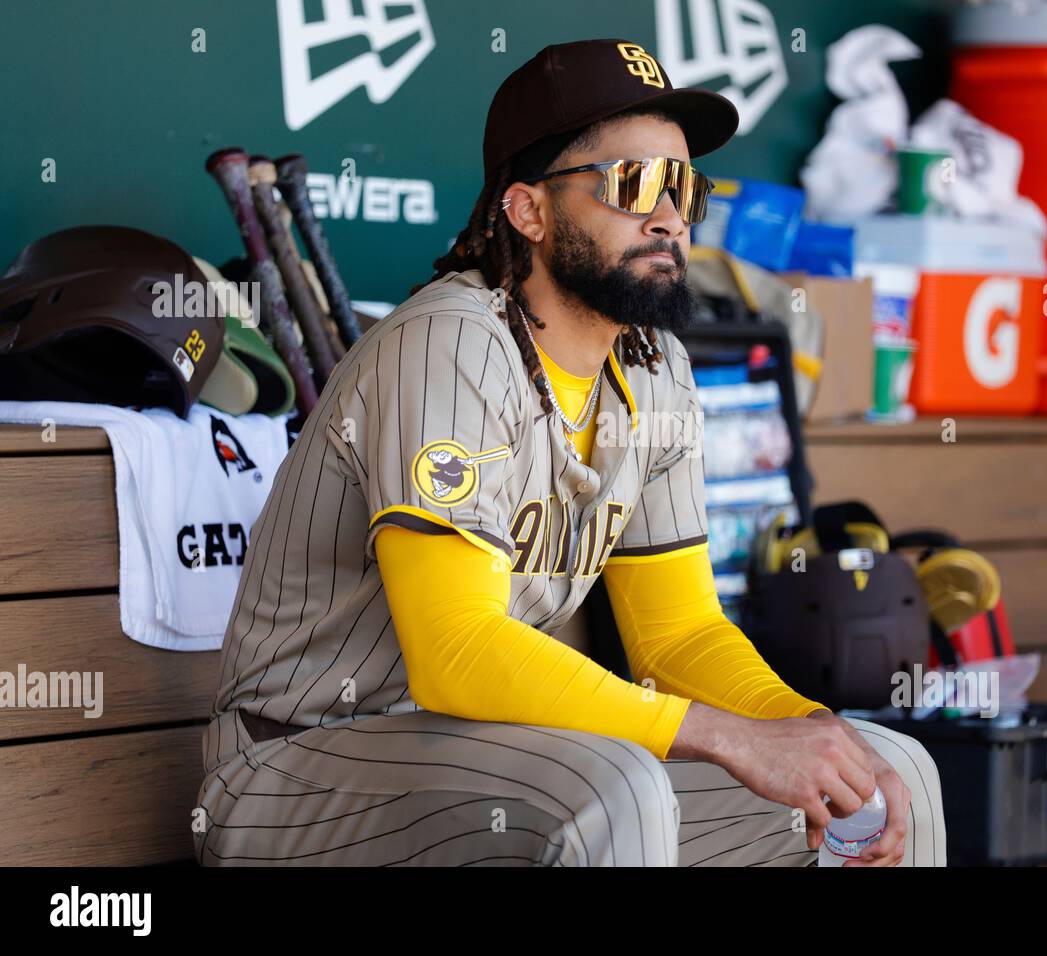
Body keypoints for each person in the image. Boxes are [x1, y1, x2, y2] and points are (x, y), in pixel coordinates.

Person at [194, 37, 946, 867]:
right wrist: (730, 740)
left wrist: (803, 730)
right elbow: (457, 653)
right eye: (631, 185)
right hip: (296, 766)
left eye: (683, 187)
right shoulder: (452, 344)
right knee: (611, 789)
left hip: (483, 758)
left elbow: (681, 637)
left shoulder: (652, 366)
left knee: (884, 769)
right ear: (529, 211)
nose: (667, 216)